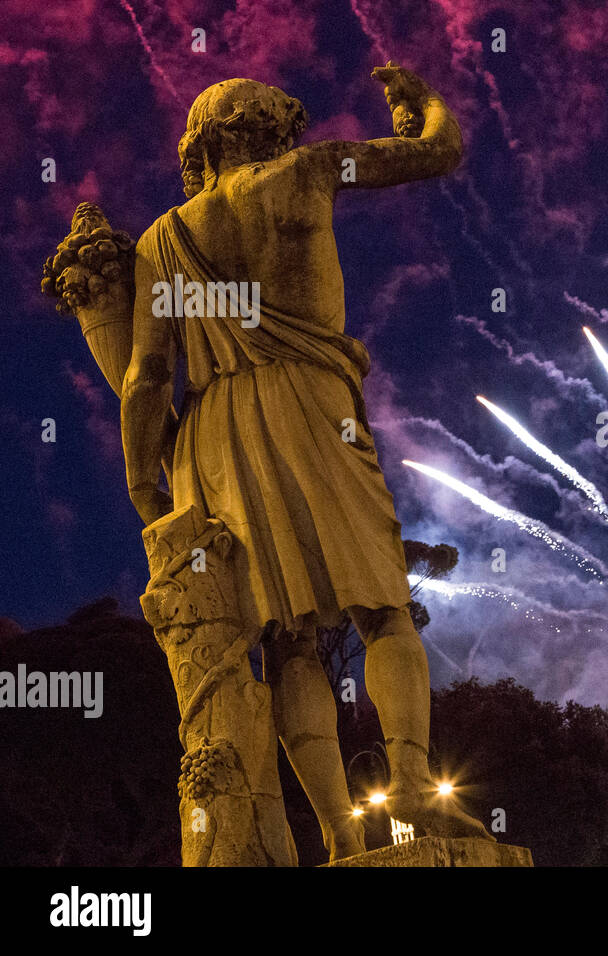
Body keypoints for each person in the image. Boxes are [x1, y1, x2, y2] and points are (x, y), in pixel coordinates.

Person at [120, 64, 491, 860]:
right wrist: (418, 101)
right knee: (383, 608)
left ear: (201, 144)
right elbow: (438, 150)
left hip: (212, 433)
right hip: (315, 411)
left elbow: (145, 377)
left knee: (285, 638)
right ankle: (417, 791)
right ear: (272, 128)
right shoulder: (309, 171)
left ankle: (336, 828)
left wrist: (139, 479)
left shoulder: (158, 240)